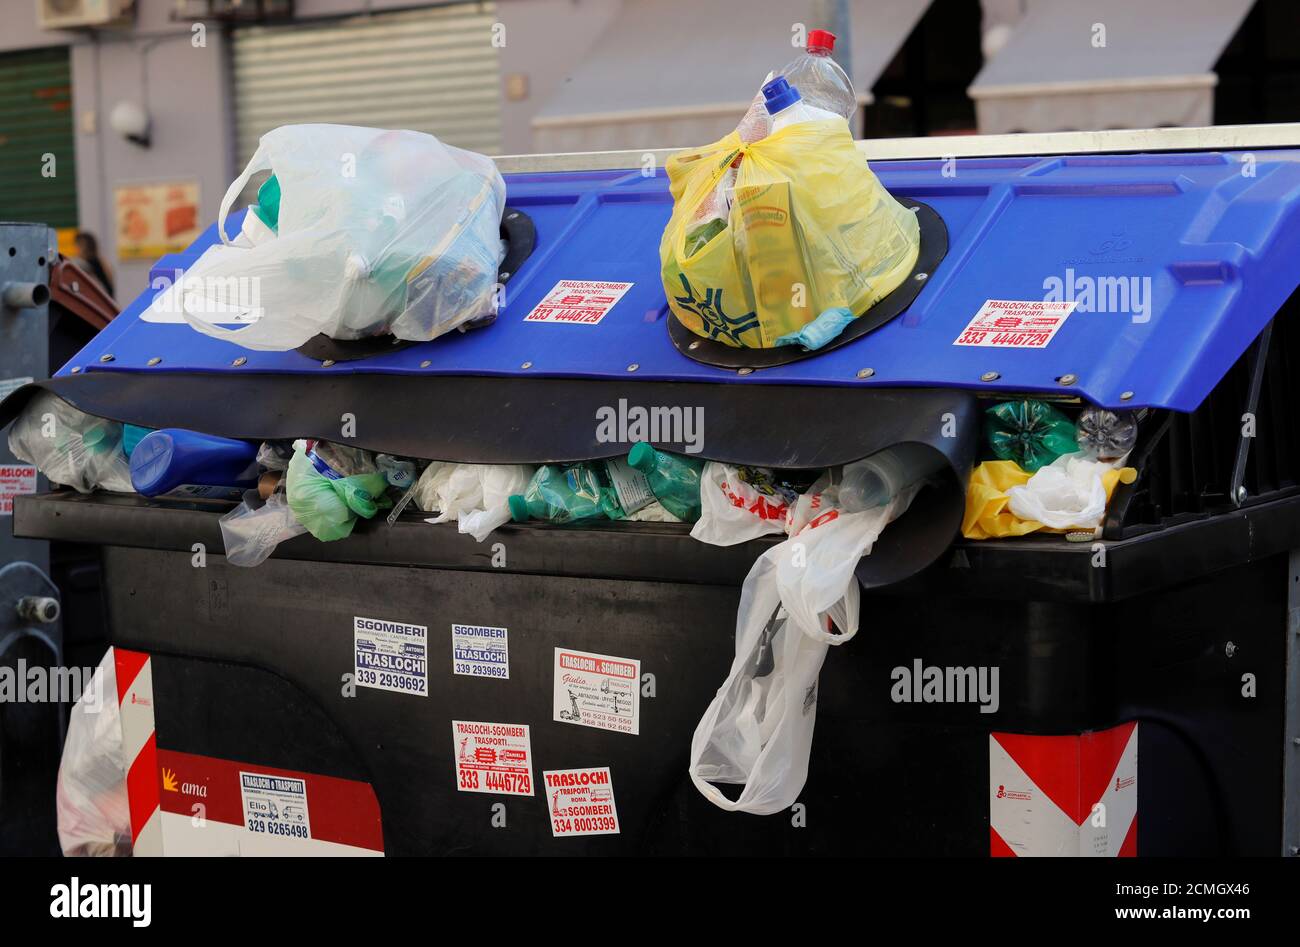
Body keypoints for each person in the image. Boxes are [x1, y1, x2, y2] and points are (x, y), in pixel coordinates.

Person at [73, 232, 114, 298]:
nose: (76, 248)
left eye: (79, 245)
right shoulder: (103, 262)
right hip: (108, 303)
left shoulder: (85, 266)